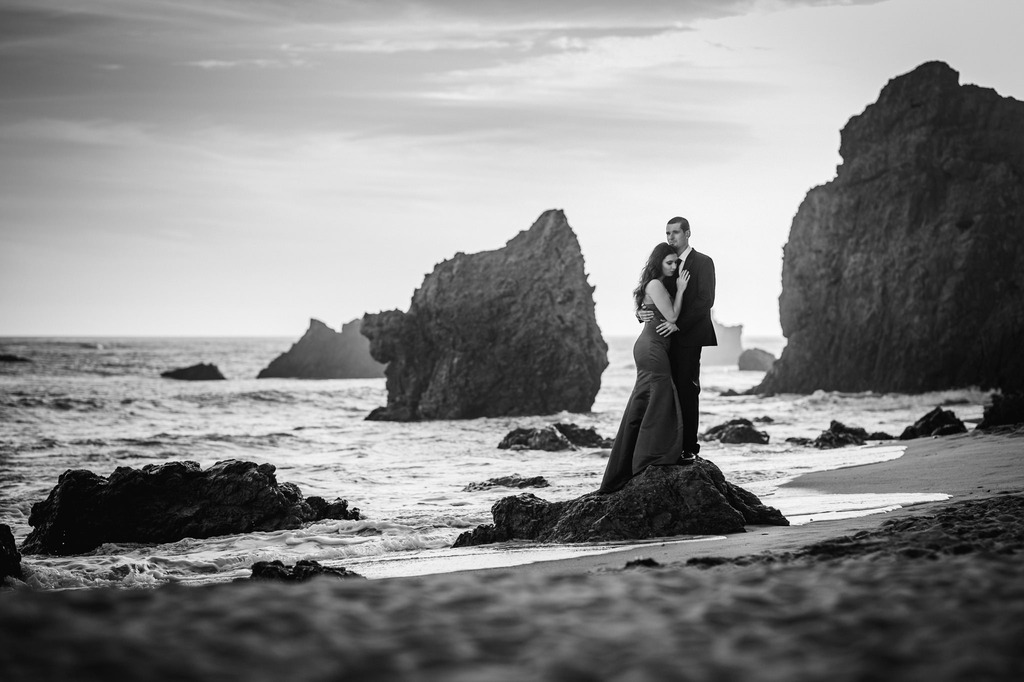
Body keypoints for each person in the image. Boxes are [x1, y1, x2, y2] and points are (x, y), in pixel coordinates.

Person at [599, 243, 690, 493]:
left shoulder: (657, 284)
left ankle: (631, 461)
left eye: (676, 263)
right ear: (658, 262)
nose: (674, 267)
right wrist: (681, 290)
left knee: (645, 402)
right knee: (660, 397)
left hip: (653, 346)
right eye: (669, 263)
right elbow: (671, 316)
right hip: (651, 348)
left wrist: (642, 312)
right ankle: (649, 458)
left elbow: (653, 313)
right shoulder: (655, 284)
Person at [640, 216, 717, 460]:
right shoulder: (666, 263)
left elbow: (706, 301)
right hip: (662, 339)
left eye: (675, 232)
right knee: (665, 392)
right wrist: (640, 313)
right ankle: (666, 446)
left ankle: (689, 449)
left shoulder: (703, 262)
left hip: (689, 336)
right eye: (668, 233)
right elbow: (653, 294)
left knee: (687, 389)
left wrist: (678, 325)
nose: (671, 238)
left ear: (687, 233)